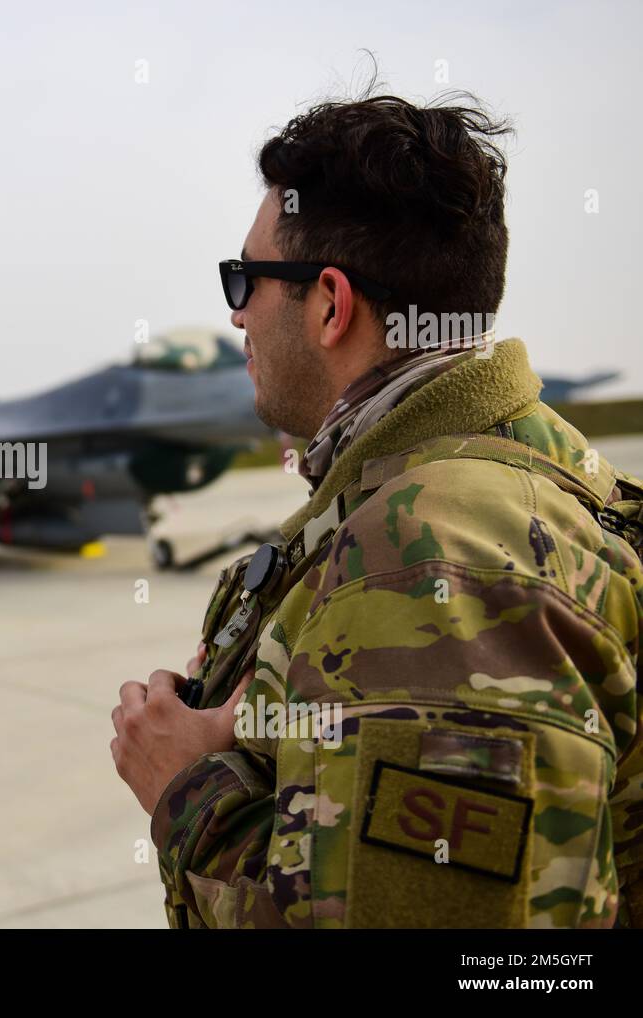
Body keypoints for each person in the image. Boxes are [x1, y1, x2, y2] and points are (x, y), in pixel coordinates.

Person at [110, 87, 643, 928]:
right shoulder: (517, 463)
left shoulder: (435, 550)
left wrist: (185, 786)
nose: (237, 313)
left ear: (330, 302)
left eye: (246, 278)